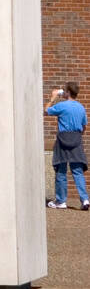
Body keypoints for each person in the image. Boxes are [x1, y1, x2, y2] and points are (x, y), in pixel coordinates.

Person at [45, 81, 89, 210]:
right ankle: (85, 199)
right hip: (76, 138)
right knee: (77, 170)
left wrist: (53, 98)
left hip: (63, 139)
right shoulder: (81, 107)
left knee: (61, 170)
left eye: (64, 90)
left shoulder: (62, 106)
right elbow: (84, 127)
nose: (63, 92)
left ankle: (61, 201)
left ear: (68, 92)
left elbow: (46, 111)